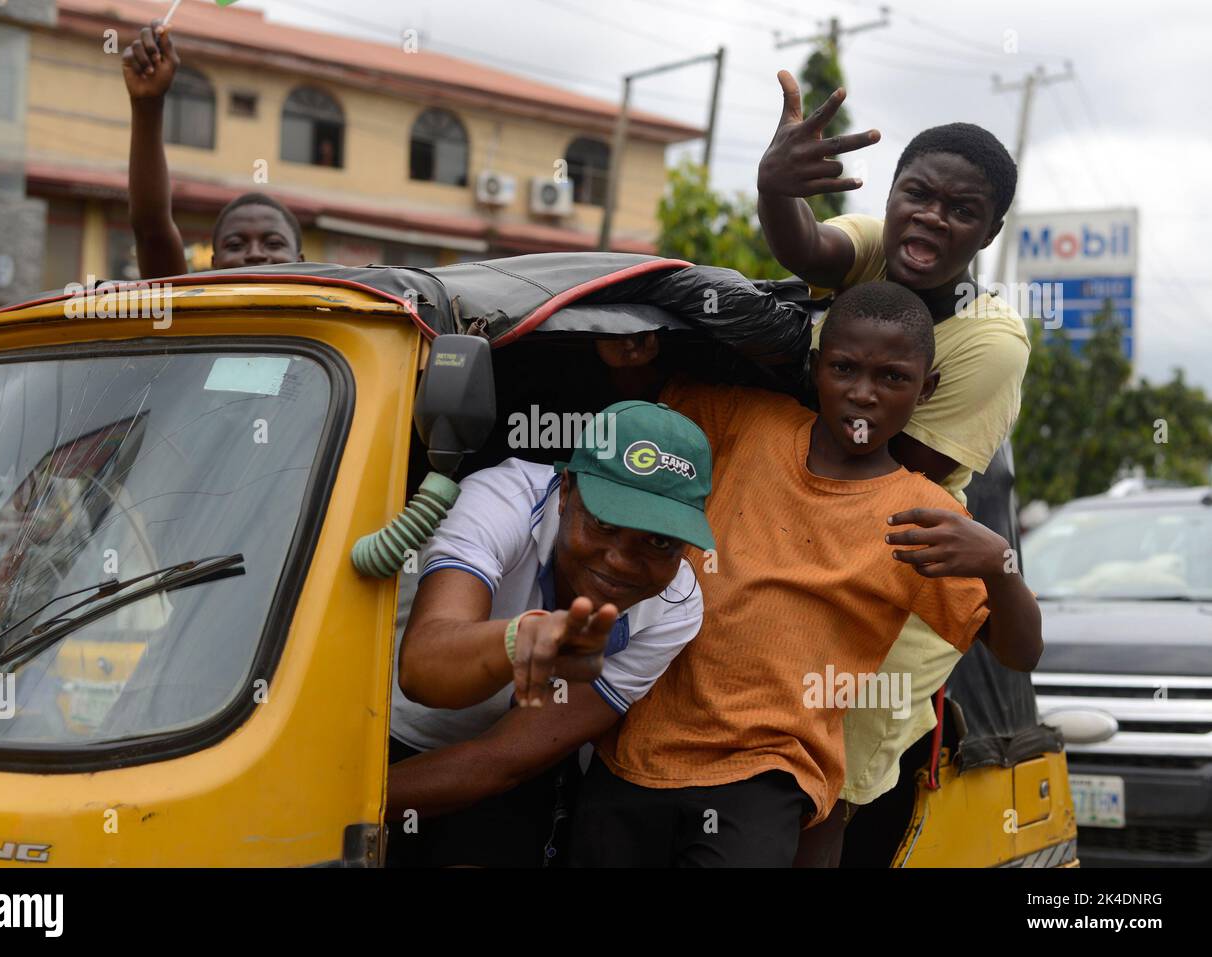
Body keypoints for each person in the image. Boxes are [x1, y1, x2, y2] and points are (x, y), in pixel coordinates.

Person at [570, 282, 1042, 868]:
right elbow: (645, 431)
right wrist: (627, 366)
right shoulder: (748, 422)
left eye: (892, 378)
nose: (864, 394)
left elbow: (1020, 652)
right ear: (817, 367)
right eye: (845, 368)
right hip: (634, 749)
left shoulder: (922, 517)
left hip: (767, 773)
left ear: (927, 390)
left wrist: (999, 566)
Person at [756, 71, 1031, 861]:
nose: (931, 218)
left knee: (829, 785)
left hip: (898, 577)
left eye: (961, 210)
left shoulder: (992, 340)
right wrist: (776, 190)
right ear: (895, 194)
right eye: (918, 194)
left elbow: (878, 454)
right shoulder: (875, 248)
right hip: (800, 537)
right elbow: (806, 244)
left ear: (989, 231)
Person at [385, 400, 715, 867]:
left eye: (659, 542)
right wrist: (523, 639)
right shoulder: (501, 500)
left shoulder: (674, 608)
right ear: (564, 493)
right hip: (372, 732)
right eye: (603, 523)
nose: (620, 561)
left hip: (486, 769)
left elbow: (499, 760)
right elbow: (422, 673)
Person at [121, 21, 305, 278]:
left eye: (274, 243)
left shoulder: (334, 315)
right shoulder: (191, 314)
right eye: (235, 245)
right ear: (214, 263)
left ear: (301, 262)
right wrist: (147, 103)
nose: (255, 254)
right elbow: (151, 229)